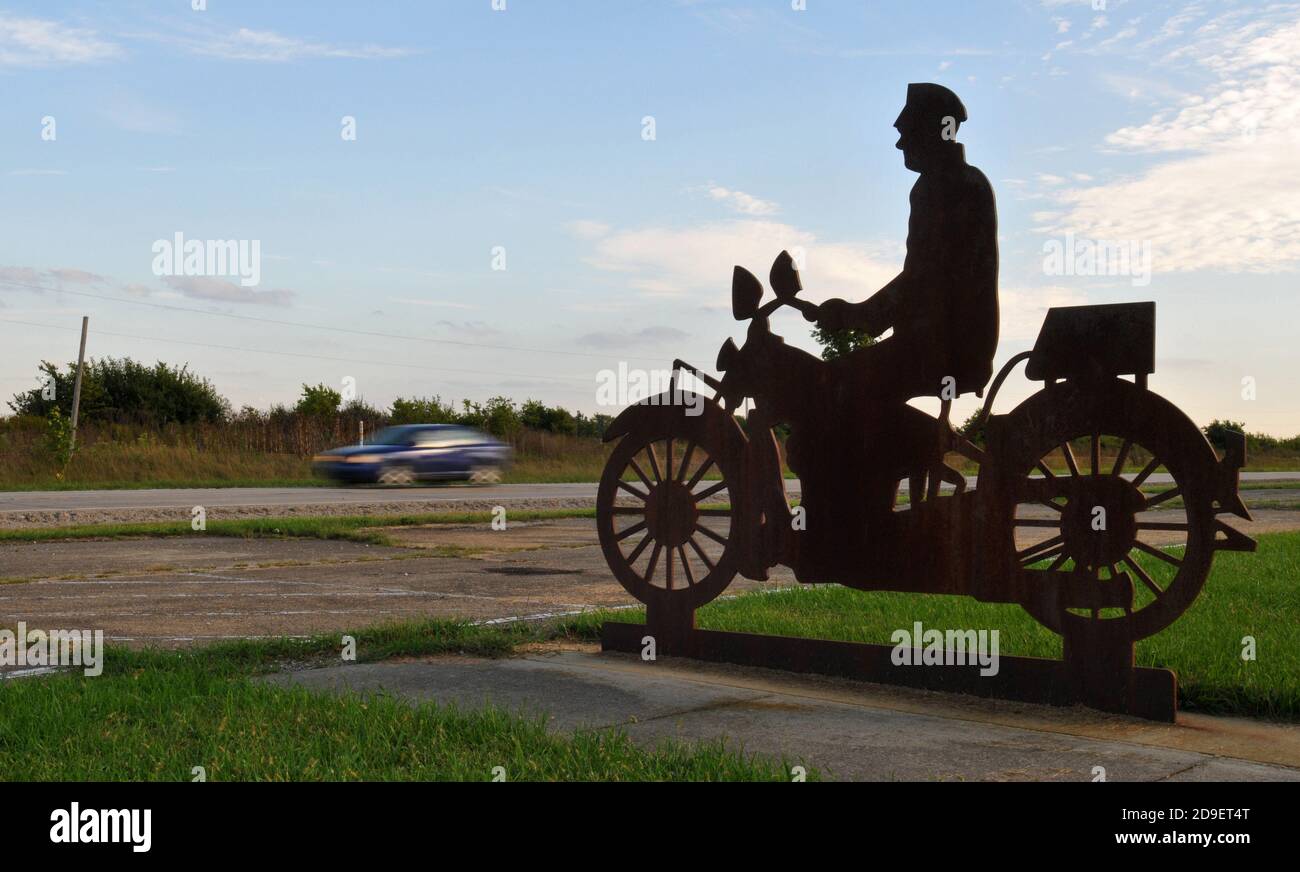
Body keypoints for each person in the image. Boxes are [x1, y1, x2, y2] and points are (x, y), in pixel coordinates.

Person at [788, 83, 1000, 581]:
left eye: (906, 133)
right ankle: (860, 527)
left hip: (940, 347)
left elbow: (924, 278)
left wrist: (857, 315)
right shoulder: (963, 182)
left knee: (829, 386)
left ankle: (847, 540)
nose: (899, 145)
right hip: (949, 342)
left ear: (935, 131)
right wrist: (857, 315)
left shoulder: (939, 186)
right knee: (850, 388)